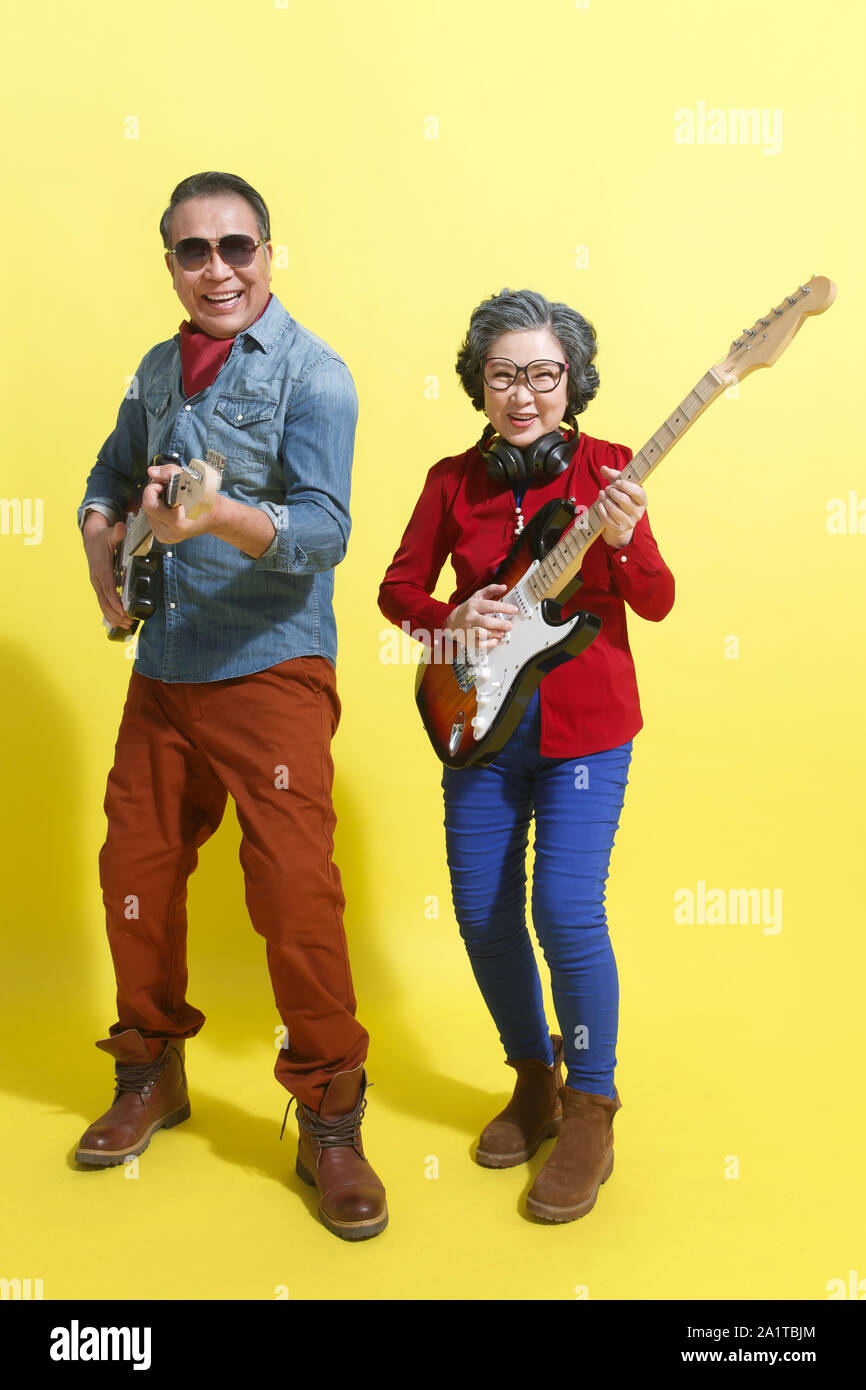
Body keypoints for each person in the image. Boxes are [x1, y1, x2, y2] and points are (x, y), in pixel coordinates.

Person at [75, 170, 387, 1242]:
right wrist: (95, 533)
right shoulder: (160, 368)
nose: (217, 269)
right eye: (193, 251)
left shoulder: (317, 376)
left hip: (270, 669)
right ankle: (150, 1070)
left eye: (237, 248)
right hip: (163, 668)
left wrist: (215, 516)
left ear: (269, 252)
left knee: (296, 891)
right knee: (134, 873)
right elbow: (110, 474)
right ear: (169, 261)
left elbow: (322, 535)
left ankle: (331, 1114)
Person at [378, 288, 674, 1222]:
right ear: (479, 383)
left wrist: (622, 545)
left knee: (565, 907)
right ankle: (533, 1079)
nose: (524, 395)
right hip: (475, 725)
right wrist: (446, 615)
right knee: (478, 913)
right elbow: (395, 590)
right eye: (504, 375)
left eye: (544, 375)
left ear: (572, 382)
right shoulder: (449, 481)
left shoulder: (612, 471)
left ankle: (592, 1104)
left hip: (587, 732)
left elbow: (658, 602)